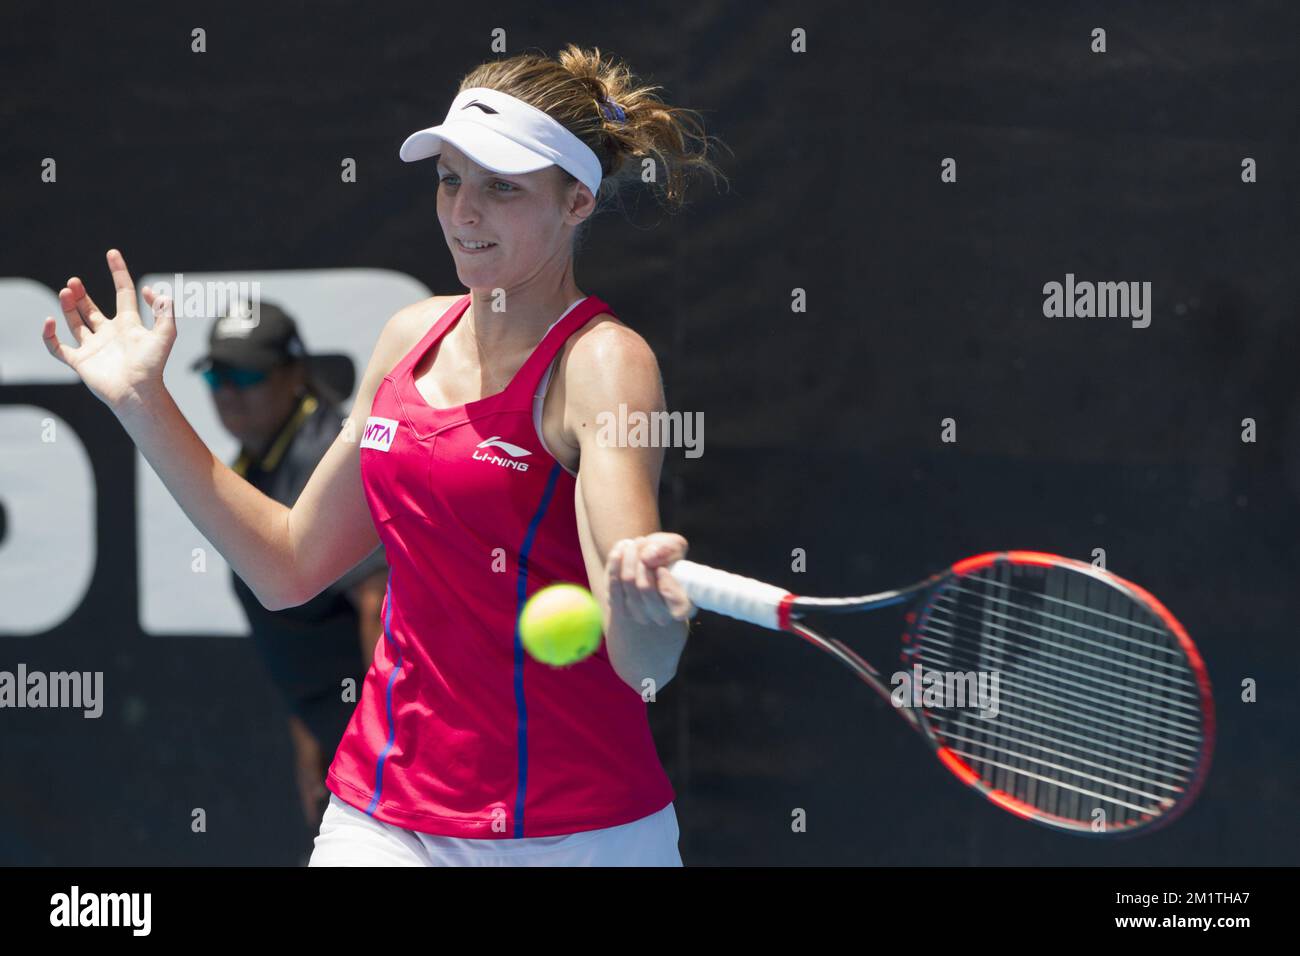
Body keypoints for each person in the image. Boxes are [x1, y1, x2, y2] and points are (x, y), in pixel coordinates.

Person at [41, 43, 728, 866]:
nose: (462, 212)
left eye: (501, 187)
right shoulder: (410, 337)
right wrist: (142, 403)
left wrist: (647, 607)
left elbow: (638, 657)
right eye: (450, 180)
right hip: (385, 813)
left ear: (577, 200)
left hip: (581, 830)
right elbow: (288, 567)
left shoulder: (605, 363)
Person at [192, 300, 389, 857]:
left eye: (247, 375)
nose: (228, 391)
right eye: (216, 374)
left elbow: (379, 605)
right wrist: (312, 737)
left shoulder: (325, 456)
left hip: (387, 754)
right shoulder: (257, 462)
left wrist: (384, 751)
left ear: (296, 374)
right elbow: (293, 625)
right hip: (342, 739)